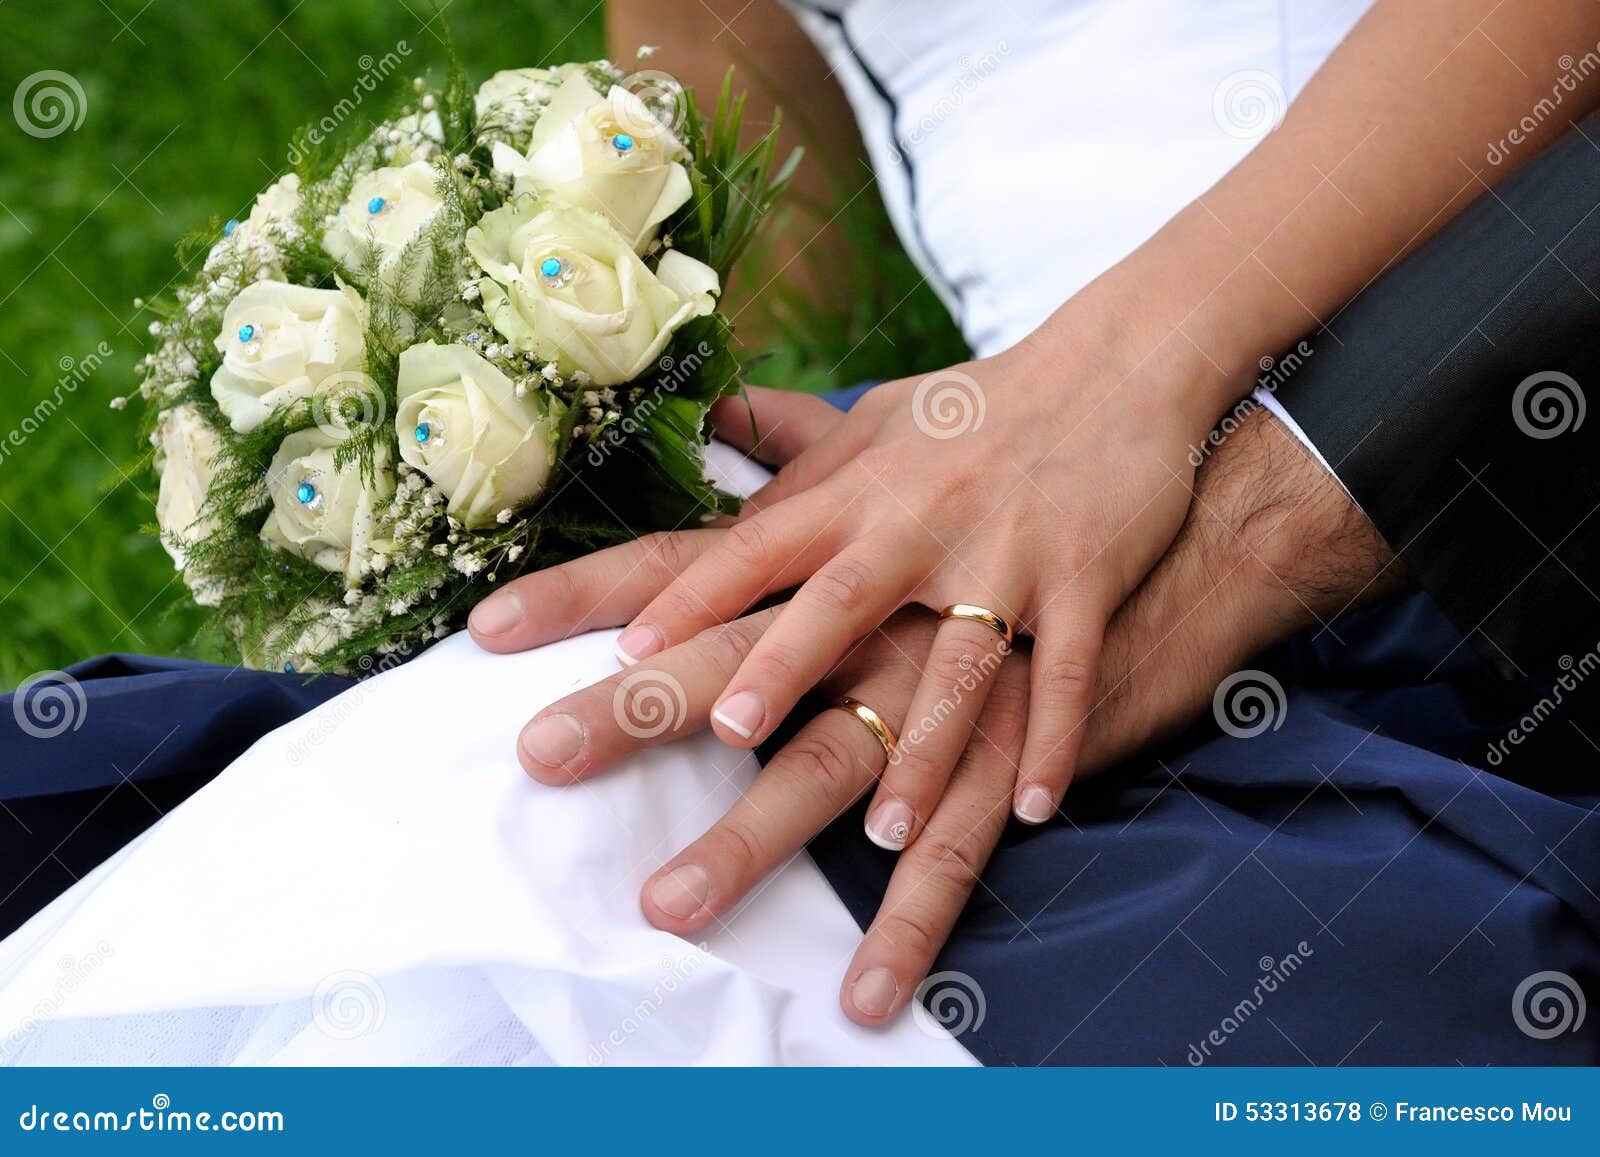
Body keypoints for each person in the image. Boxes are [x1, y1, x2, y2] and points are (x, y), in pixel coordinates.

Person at [3, 0, 1599, 1065]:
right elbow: (737, 206)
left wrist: (1131, 397)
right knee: (496, 810)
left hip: (1495, 392)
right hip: (987, 453)